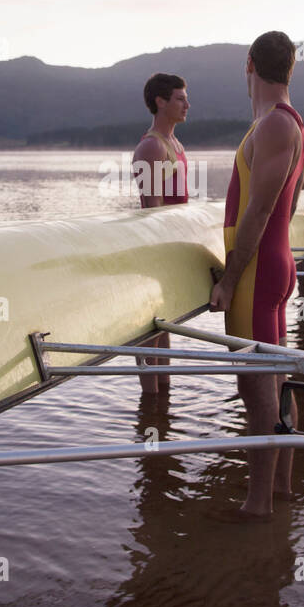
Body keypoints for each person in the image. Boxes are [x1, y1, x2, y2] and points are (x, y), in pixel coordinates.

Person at [209, 30, 304, 520]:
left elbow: (260, 209)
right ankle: (282, 490)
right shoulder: (284, 123)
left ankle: (257, 504)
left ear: (248, 63)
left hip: (257, 274)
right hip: (273, 266)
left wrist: (228, 279)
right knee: (277, 380)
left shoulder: (274, 125)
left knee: (256, 390)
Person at [132, 73, 190, 393]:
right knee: (148, 325)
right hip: (156, 249)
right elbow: (152, 212)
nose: (187, 105)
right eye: (180, 98)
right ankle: (150, 398)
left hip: (172, 246)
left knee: (164, 325)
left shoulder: (176, 144)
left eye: (185, 98)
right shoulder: (152, 146)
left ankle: (161, 403)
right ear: (160, 102)